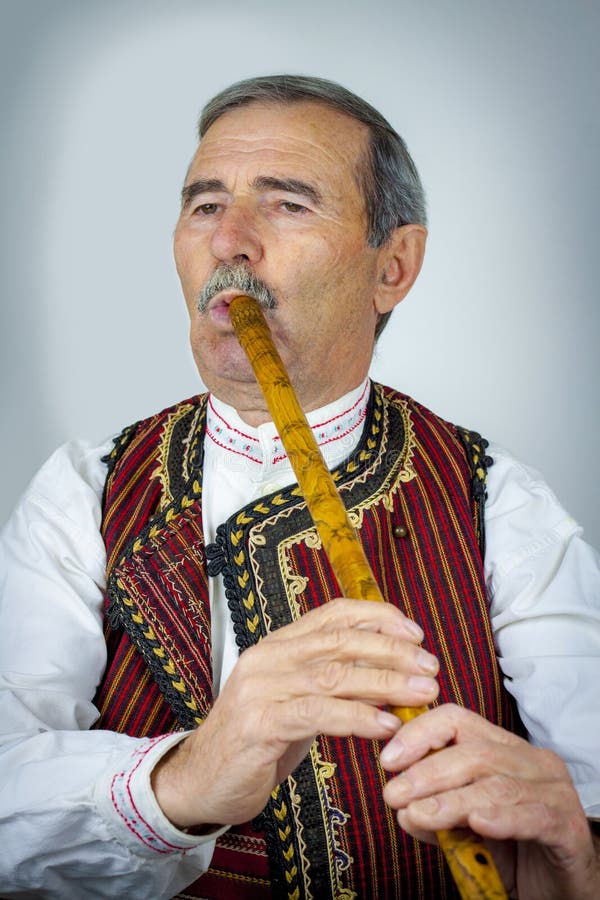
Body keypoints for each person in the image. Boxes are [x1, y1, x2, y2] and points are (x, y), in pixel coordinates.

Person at [0, 74, 599, 900]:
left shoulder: (499, 501)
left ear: (393, 267)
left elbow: (589, 798)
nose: (230, 243)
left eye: (288, 204)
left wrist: (578, 865)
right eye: (205, 205)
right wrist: (187, 778)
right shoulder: (84, 491)